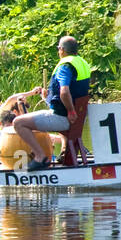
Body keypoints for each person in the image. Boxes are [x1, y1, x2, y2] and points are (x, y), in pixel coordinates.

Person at [12, 35, 90, 171]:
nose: (58, 51)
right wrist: (48, 98)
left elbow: (64, 92)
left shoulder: (65, 66)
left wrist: (71, 111)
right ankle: (64, 154)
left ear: (62, 49)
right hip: (77, 119)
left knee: (18, 123)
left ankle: (40, 157)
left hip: (64, 118)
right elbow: (73, 93)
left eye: (58, 48)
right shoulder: (82, 63)